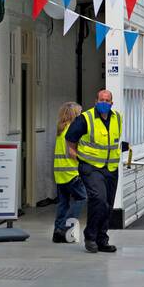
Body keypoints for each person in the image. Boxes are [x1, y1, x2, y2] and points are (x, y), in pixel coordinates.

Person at [66, 89, 127, 253]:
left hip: (111, 168)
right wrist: (77, 157)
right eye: (101, 100)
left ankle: (102, 239)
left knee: (107, 205)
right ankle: (90, 237)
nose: (104, 103)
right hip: (91, 168)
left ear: (112, 103)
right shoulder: (85, 119)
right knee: (98, 200)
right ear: (96, 101)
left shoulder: (117, 118)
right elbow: (70, 140)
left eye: (107, 101)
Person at [52, 101, 87, 243]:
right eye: (80, 113)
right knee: (82, 198)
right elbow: (72, 152)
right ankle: (63, 228)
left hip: (59, 173)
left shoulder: (60, 129)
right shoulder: (71, 130)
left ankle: (57, 234)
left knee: (63, 203)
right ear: (75, 115)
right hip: (71, 173)